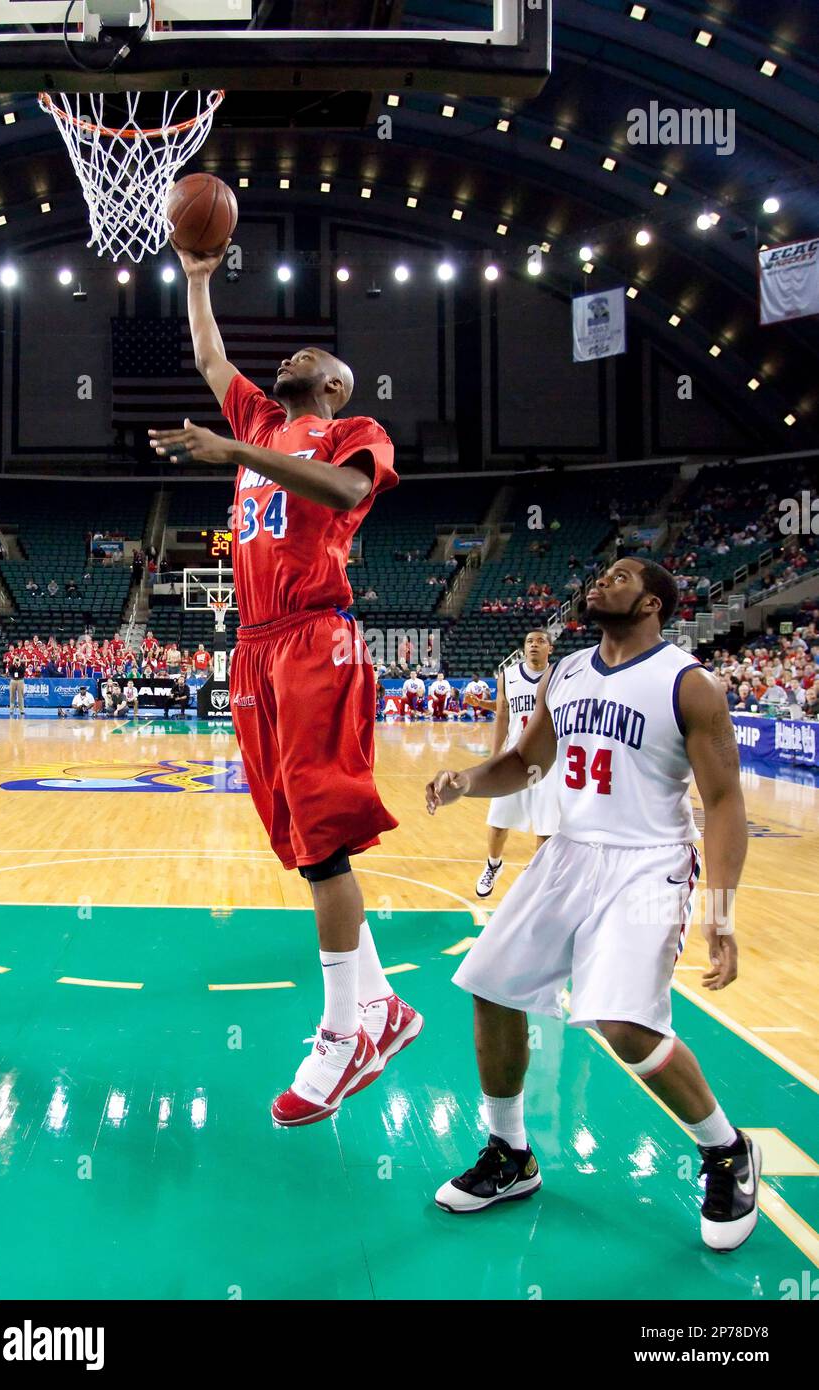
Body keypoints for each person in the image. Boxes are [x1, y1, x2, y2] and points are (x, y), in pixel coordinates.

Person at [148, 237, 420, 1129]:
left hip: (315, 638)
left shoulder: (351, 432)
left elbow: (342, 495)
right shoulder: (261, 422)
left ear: (337, 384)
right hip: (254, 646)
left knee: (326, 833)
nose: (296, 354)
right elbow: (208, 355)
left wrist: (230, 449)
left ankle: (343, 1034)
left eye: (315, 355)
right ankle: (383, 1009)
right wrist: (196, 278)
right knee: (301, 839)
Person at [425, 557, 759, 1253]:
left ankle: (726, 1150)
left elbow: (725, 801)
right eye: (601, 574)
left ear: (653, 606)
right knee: (490, 985)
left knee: (623, 1022)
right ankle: (511, 1154)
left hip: (647, 862)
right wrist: (467, 780)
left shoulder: (688, 685)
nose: (601, 582)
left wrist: (722, 914)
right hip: (568, 851)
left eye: (621, 576)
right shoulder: (568, 670)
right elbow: (526, 762)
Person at [474, 630, 560, 899]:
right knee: (498, 822)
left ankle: (538, 878)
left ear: (550, 648)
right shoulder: (508, 675)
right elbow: (502, 714)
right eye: (529, 641)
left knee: (546, 826)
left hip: (548, 760)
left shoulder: (560, 676)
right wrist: (494, 755)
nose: (534, 645)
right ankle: (493, 865)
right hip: (514, 759)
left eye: (540, 641)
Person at [8, 651, 27, 719]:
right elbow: (10, 670)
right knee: (12, 695)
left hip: (20, 680)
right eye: (15, 659)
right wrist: (13, 664)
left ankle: (21, 710)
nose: (17, 660)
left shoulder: (22, 664)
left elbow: (23, 671)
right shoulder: (12, 664)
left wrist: (19, 665)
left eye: (17, 659)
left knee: (20, 696)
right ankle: (11, 709)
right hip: (13, 680)